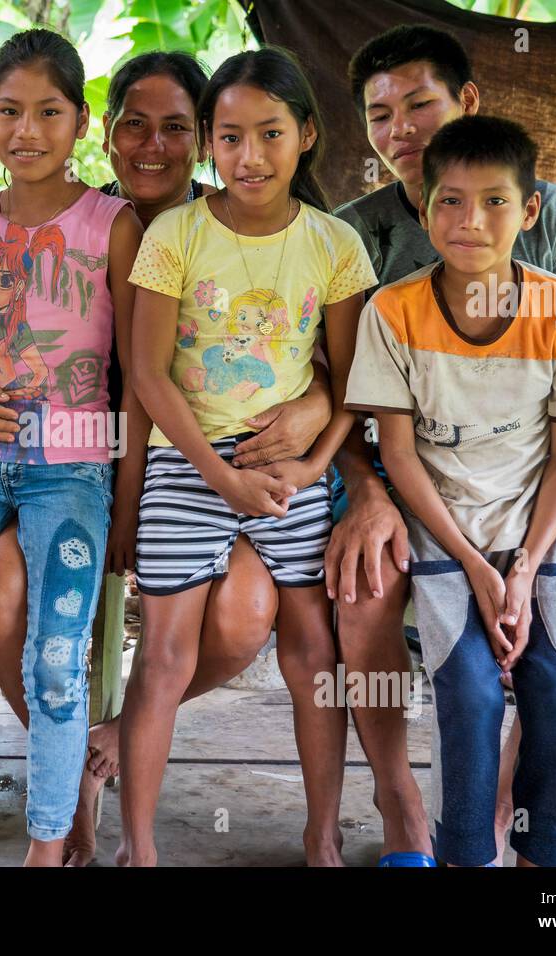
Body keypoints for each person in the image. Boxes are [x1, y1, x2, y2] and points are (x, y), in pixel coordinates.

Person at [0, 50, 333, 866]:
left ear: (201, 142)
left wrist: (317, 406)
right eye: (134, 124)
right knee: (1, 582)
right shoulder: (84, 219)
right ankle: (72, 762)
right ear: (106, 129)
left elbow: (320, 352)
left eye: (175, 129)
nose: (151, 144)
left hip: (185, 470)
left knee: (246, 610)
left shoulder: (242, 220)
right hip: (81, 466)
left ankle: (120, 731)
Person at [329, 23, 556, 863]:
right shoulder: (357, 240)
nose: (399, 128)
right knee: (368, 588)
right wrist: (366, 494)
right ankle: (410, 810)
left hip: (538, 481)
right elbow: (339, 398)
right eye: (379, 114)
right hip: (417, 481)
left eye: (419, 104)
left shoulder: (555, 234)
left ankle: (513, 807)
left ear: (467, 98)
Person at [118, 47, 375, 867]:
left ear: (306, 135)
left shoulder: (335, 247)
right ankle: (142, 846)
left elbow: (350, 380)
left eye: (269, 134)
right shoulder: (174, 234)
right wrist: (216, 473)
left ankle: (322, 833)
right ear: (208, 147)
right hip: (185, 459)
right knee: (161, 655)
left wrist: (311, 468)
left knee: (313, 652)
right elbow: (150, 376)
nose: (249, 156)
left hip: (288, 466)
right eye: (229, 137)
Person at [0, 28, 142, 867]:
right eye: (9, 110)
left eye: (49, 111)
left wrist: (122, 493)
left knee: (58, 659)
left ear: (82, 122)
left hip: (74, 463)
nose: (28, 130)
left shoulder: (112, 222)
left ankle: (48, 842)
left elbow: (136, 361)